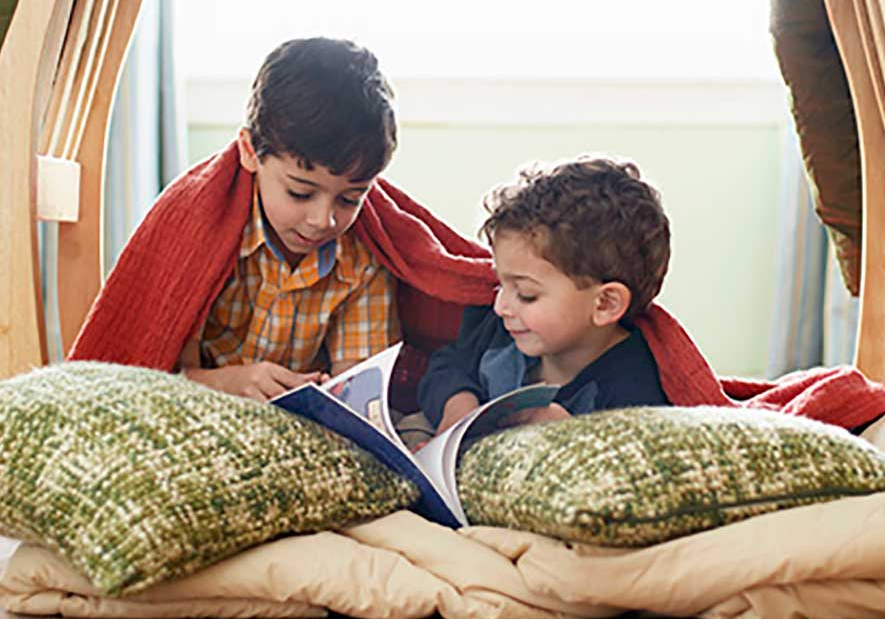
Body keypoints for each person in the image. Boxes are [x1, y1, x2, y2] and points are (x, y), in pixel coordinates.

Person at [177, 37, 401, 400]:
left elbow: (358, 392)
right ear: (250, 151)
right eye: (300, 193)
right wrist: (230, 384)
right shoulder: (201, 236)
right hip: (204, 404)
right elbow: (160, 372)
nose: (323, 220)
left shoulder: (361, 264)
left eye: (350, 199)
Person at [417, 155, 670, 432]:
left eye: (526, 295)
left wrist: (569, 435)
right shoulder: (499, 334)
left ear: (605, 304)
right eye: (500, 285)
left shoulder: (636, 392)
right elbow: (447, 365)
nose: (501, 307)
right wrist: (457, 402)